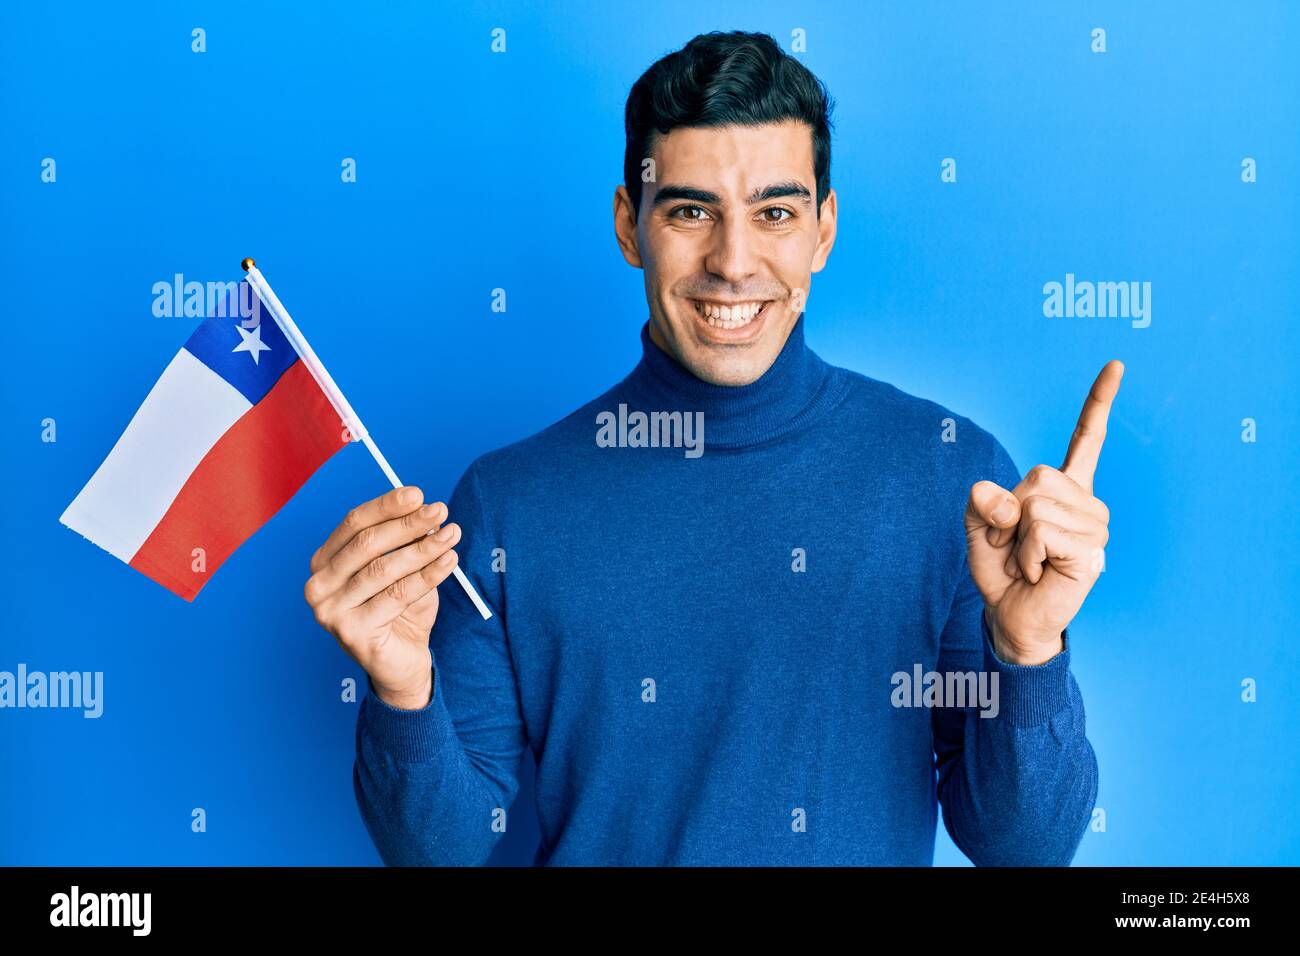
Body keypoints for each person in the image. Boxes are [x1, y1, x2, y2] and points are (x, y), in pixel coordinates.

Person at [305, 30, 1119, 866]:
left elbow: (1026, 847)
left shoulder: (951, 475)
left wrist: (1027, 653)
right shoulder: (508, 502)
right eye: (691, 211)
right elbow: (446, 851)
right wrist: (402, 693)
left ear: (824, 231)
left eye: (774, 213)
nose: (733, 263)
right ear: (630, 226)